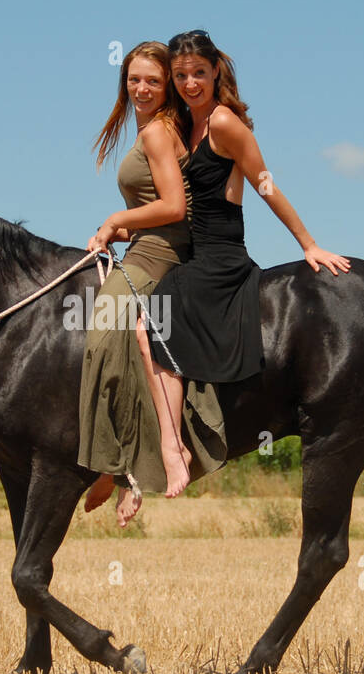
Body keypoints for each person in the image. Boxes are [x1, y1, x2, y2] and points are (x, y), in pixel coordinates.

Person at [146, 30, 352, 495]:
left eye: (199, 72)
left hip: (221, 258)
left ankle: (172, 448)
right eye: (180, 75)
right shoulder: (187, 123)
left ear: (216, 70)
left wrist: (309, 243)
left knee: (149, 322)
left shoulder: (222, 123)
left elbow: (265, 183)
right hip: (196, 253)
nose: (190, 83)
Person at [77, 41, 228, 525]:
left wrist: (116, 217)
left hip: (159, 256)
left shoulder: (160, 132)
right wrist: (114, 232)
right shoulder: (150, 129)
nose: (141, 88)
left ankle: (120, 466)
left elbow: (175, 210)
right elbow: (161, 211)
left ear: (167, 88)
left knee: (101, 335)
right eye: (133, 79)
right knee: (107, 338)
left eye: (153, 81)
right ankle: (116, 463)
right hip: (146, 245)